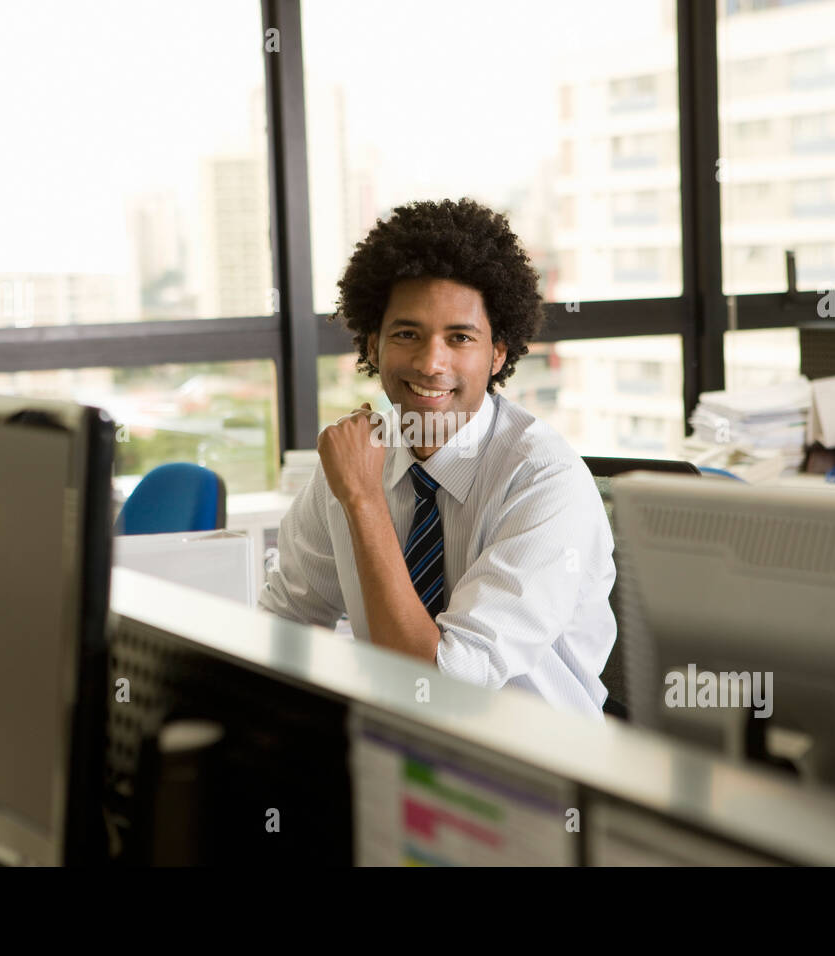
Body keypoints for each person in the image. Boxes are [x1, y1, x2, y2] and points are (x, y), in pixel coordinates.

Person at [258, 198, 616, 718]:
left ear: (498, 353)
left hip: (534, 774)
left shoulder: (546, 482)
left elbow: (438, 685)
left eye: (460, 338)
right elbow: (285, 621)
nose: (430, 363)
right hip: (392, 760)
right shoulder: (358, 458)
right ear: (373, 345)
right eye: (407, 334)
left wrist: (364, 501)